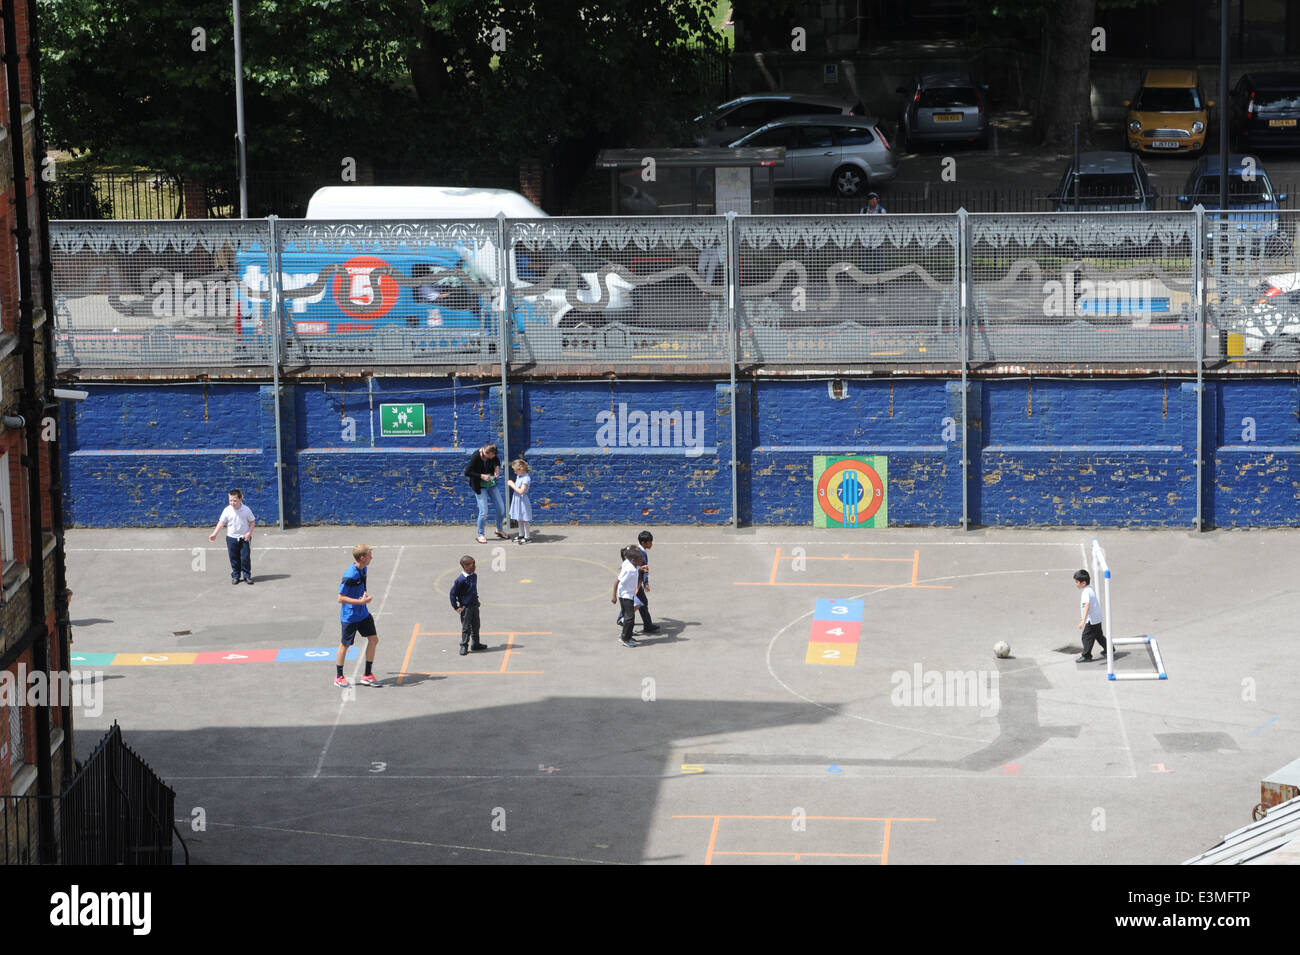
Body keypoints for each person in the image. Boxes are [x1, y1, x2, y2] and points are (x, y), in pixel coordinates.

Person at [337, 545, 381, 688]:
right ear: (362, 558)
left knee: (373, 639)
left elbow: (362, 585)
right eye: (369, 555)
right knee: (345, 645)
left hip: (363, 613)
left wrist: (363, 595)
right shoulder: (350, 574)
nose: (372, 558)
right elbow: (340, 598)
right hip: (350, 616)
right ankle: (339, 676)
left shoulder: (364, 569)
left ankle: (367, 675)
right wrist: (360, 601)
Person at [464, 443, 509, 544]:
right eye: (491, 456)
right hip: (480, 487)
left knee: (501, 509)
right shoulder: (476, 457)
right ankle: (480, 534)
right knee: (484, 512)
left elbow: (496, 460)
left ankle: (499, 529)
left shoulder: (491, 453)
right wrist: (481, 476)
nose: (492, 458)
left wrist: (497, 468)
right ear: (486, 453)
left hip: (491, 485)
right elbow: (467, 472)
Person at [208, 488, 256, 585]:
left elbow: (252, 522)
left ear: (241, 499)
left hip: (244, 538)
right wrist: (214, 534)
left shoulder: (246, 510)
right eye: (230, 500)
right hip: (231, 538)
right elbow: (221, 523)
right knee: (234, 558)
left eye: (235, 500)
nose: (232, 502)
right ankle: (236, 576)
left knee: (245, 558)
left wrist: (249, 533)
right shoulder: (227, 510)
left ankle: (247, 576)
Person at [617, 530, 659, 633]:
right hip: (635, 583)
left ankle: (647, 624)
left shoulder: (636, 549)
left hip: (635, 582)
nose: (651, 544)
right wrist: (645, 584)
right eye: (650, 542)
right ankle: (622, 619)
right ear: (644, 543)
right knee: (637, 603)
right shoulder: (642, 554)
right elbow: (643, 571)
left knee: (641, 602)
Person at [450, 554, 488, 656]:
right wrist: (456, 607)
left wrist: (476, 599)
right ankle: (463, 646)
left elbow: (473, 590)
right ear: (465, 566)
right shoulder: (460, 580)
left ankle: (475, 644)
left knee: (476, 625)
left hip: (474, 605)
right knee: (466, 627)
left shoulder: (474, 576)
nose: (474, 566)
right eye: (472, 564)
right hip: (466, 607)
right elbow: (453, 593)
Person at [611, 546, 644, 648]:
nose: (642, 561)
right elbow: (617, 581)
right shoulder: (629, 570)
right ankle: (624, 638)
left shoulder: (630, 563)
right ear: (633, 560)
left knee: (629, 617)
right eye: (640, 560)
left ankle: (628, 636)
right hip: (625, 596)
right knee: (629, 617)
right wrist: (614, 596)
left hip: (629, 594)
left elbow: (636, 566)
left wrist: (641, 568)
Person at [1074, 569, 1108, 662]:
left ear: (1083, 583)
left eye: (1077, 582)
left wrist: (1083, 620)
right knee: (1098, 636)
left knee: (1086, 637)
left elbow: (1087, 606)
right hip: (1097, 617)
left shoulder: (1086, 592)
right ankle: (1109, 650)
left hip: (1092, 619)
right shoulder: (1090, 588)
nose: (1075, 583)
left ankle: (1086, 656)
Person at [507, 459, 533, 543]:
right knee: (519, 518)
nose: (515, 473)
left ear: (521, 469)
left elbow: (521, 491)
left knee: (525, 519)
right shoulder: (519, 476)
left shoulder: (526, 478)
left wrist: (512, 485)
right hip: (517, 500)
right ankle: (521, 534)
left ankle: (527, 536)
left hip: (522, 500)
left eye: (515, 470)